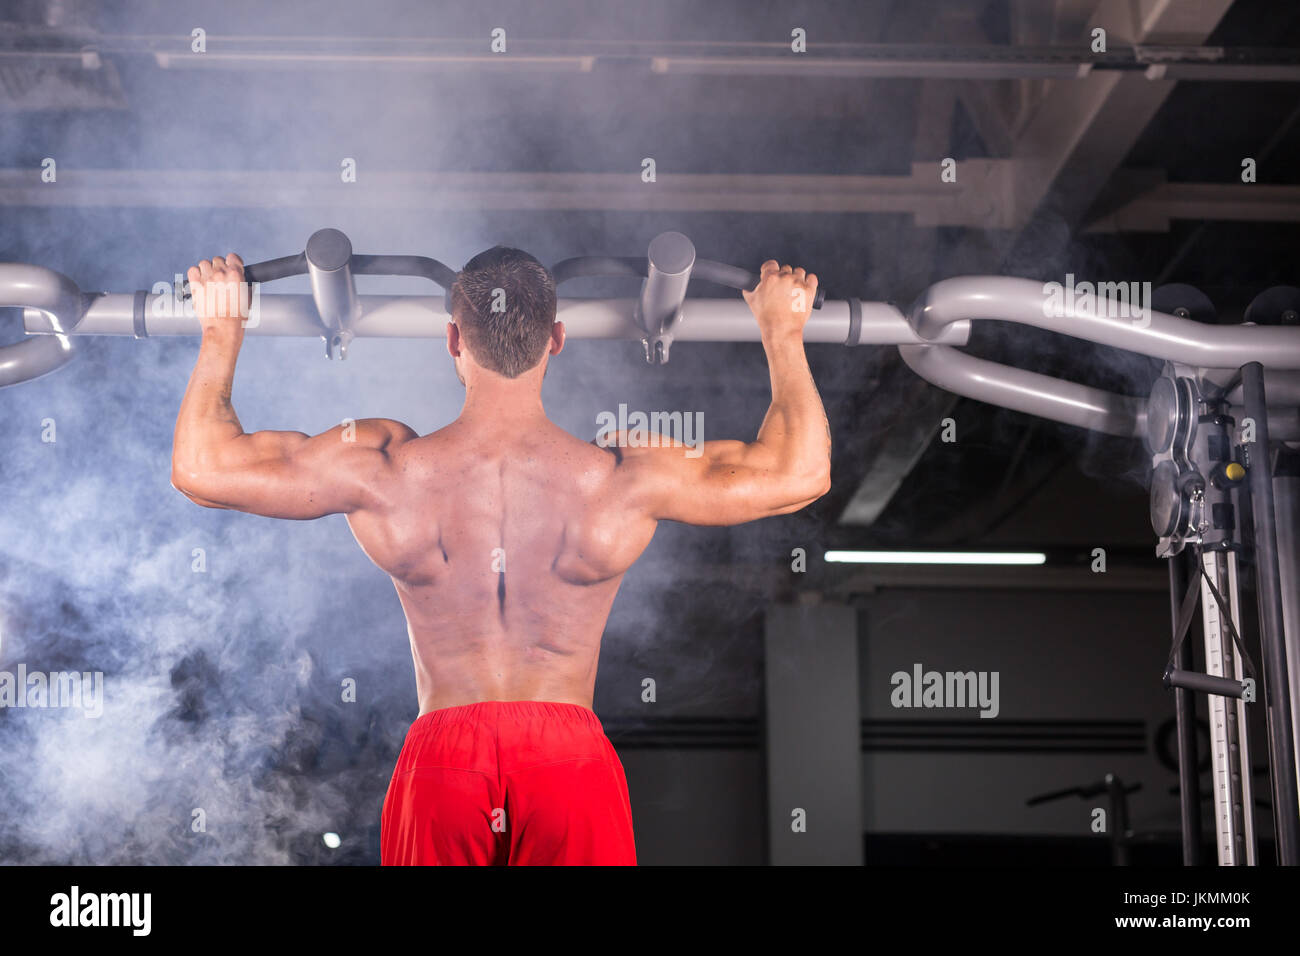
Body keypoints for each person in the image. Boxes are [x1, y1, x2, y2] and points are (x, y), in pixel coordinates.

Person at [171, 246, 831, 865]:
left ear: (453, 340)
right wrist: (783, 331)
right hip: (569, 760)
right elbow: (799, 475)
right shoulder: (624, 473)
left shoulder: (382, 467)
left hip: (443, 760)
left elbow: (202, 470)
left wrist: (221, 329)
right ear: (557, 340)